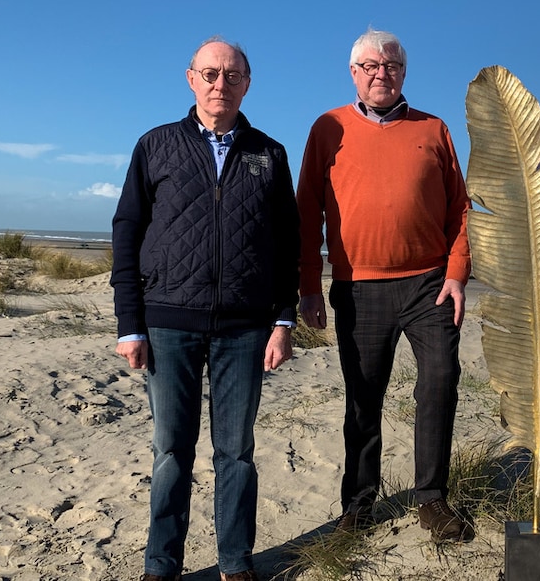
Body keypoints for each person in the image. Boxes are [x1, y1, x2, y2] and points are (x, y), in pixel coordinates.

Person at [111, 37, 300, 581]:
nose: (222, 84)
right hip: (168, 322)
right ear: (191, 79)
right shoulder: (156, 145)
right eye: (211, 74)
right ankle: (161, 564)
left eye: (233, 75)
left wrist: (283, 319)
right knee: (171, 449)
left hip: (245, 327)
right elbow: (127, 231)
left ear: (247, 84)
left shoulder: (269, 153)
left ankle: (235, 562)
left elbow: (288, 242)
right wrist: (130, 324)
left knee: (236, 452)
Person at [295, 28, 473, 543]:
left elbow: (460, 210)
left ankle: (431, 499)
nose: (381, 73)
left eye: (391, 65)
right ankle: (358, 505)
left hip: (430, 285)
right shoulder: (328, 127)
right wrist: (309, 285)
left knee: (440, 381)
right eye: (370, 66)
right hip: (358, 287)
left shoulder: (433, 128)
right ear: (353, 73)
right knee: (363, 396)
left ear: (404, 72)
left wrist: (457, 273)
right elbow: (307, 212)